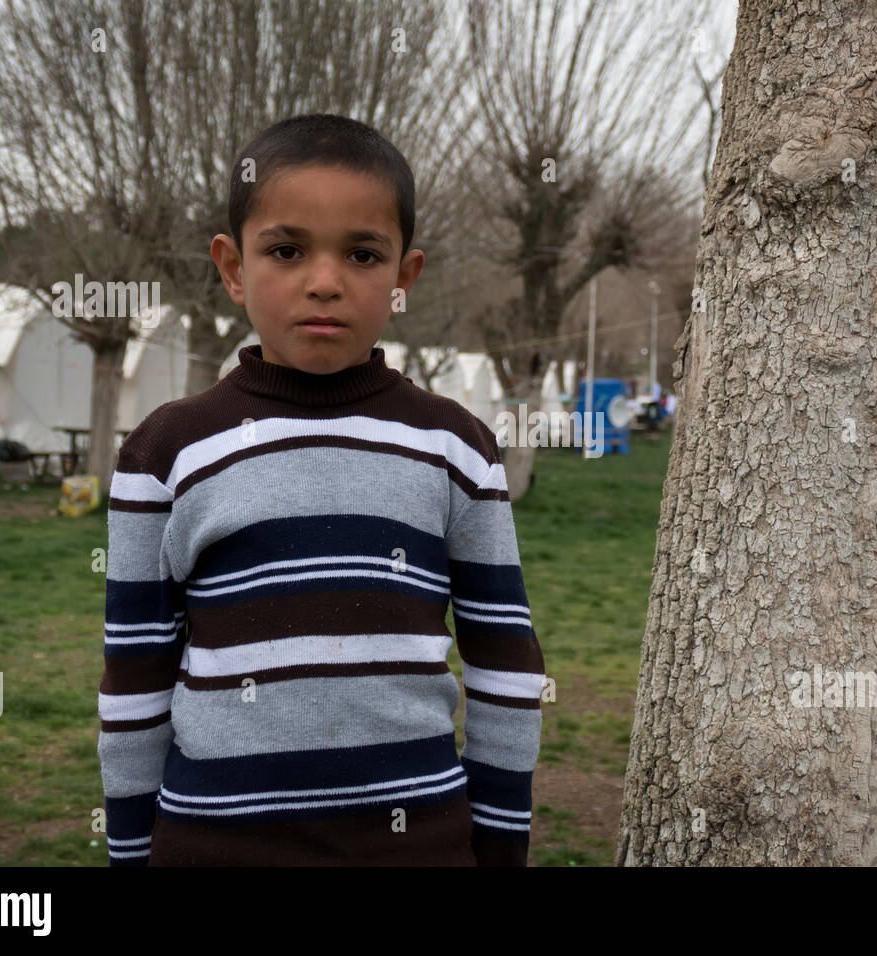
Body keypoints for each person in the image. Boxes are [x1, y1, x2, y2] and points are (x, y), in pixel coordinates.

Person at [97, 114, 544, 867]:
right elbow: (135, 683)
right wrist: (131, 851)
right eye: (286, 250)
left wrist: (499, 850)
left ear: (404, 278)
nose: (326, 282)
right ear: (233, 267)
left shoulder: (457, 448)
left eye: (363, 254)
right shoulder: (164, 452)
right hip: (213, 850)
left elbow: (504, 663)